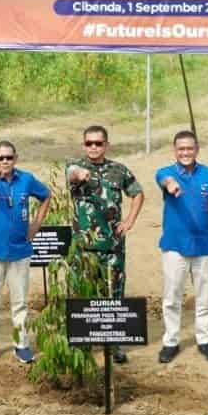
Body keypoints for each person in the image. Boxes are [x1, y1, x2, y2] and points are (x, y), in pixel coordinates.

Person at [65, 124, 143, 364]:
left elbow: (137, 193)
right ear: (84, 145)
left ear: (106, 145)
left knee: (114, 293)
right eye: (89, 143)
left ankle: (115, 343)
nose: (94, 147)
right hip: (84, 246)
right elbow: (72, 174)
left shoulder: (119, 170)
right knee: (83, 293)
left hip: (113, 245)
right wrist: (80, 174)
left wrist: (129, 220)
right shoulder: (75, 166)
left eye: (98, 143)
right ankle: (84, 342)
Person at [155, 129, 208, 364]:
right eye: (181, 149)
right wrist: (170, 185)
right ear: (174, 150)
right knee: (172, 297)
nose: (185, 153)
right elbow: (163, 180)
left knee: (205, 297)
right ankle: (170, 341)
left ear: (196, 149)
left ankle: (205, 340)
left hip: (203, 245)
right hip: (174, 246)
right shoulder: (166, 173)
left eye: (190, 148)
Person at [0, 140, 52, 364]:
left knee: (19, 302)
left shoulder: (26, 179)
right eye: (0, 158)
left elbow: (46, 195)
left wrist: (36, 225)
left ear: (16, 158)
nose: (4, 161)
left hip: (20, 250)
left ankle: (21, 344)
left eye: (9, 157)